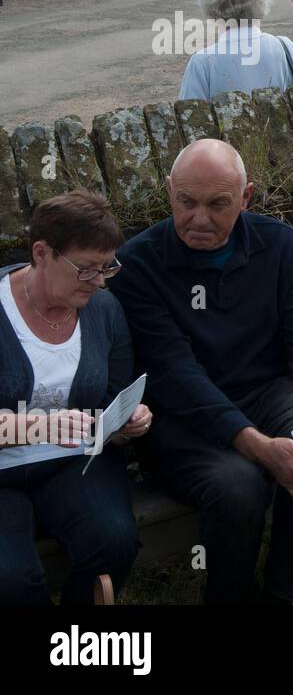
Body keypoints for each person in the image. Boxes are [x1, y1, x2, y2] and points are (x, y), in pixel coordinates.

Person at [108, 140, 293, 604]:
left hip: (266, 391)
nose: (199, 218)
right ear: (168, 191)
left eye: (218, 204)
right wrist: (257, 445)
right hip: (181, 417)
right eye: (185, 202)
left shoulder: (279, 245)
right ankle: (229, 595)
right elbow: (175, 372)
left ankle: (290, 590)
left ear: (246, 198)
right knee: (238, 486)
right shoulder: (139, 264)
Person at [1, 191, 150, 605]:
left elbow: (109, 402)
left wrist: (125, 422)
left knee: (114, 542)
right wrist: (40, 426)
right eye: (86, 269)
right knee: (10, 580)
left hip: (72, 463)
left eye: (107, 268)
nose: (99, 281)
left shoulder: (103, 310)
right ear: (41, 252)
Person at [178, 0, 293, 101]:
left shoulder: (202, 62)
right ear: (259, 0)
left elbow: (191, 116)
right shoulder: (284, 47)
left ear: (211, 7)